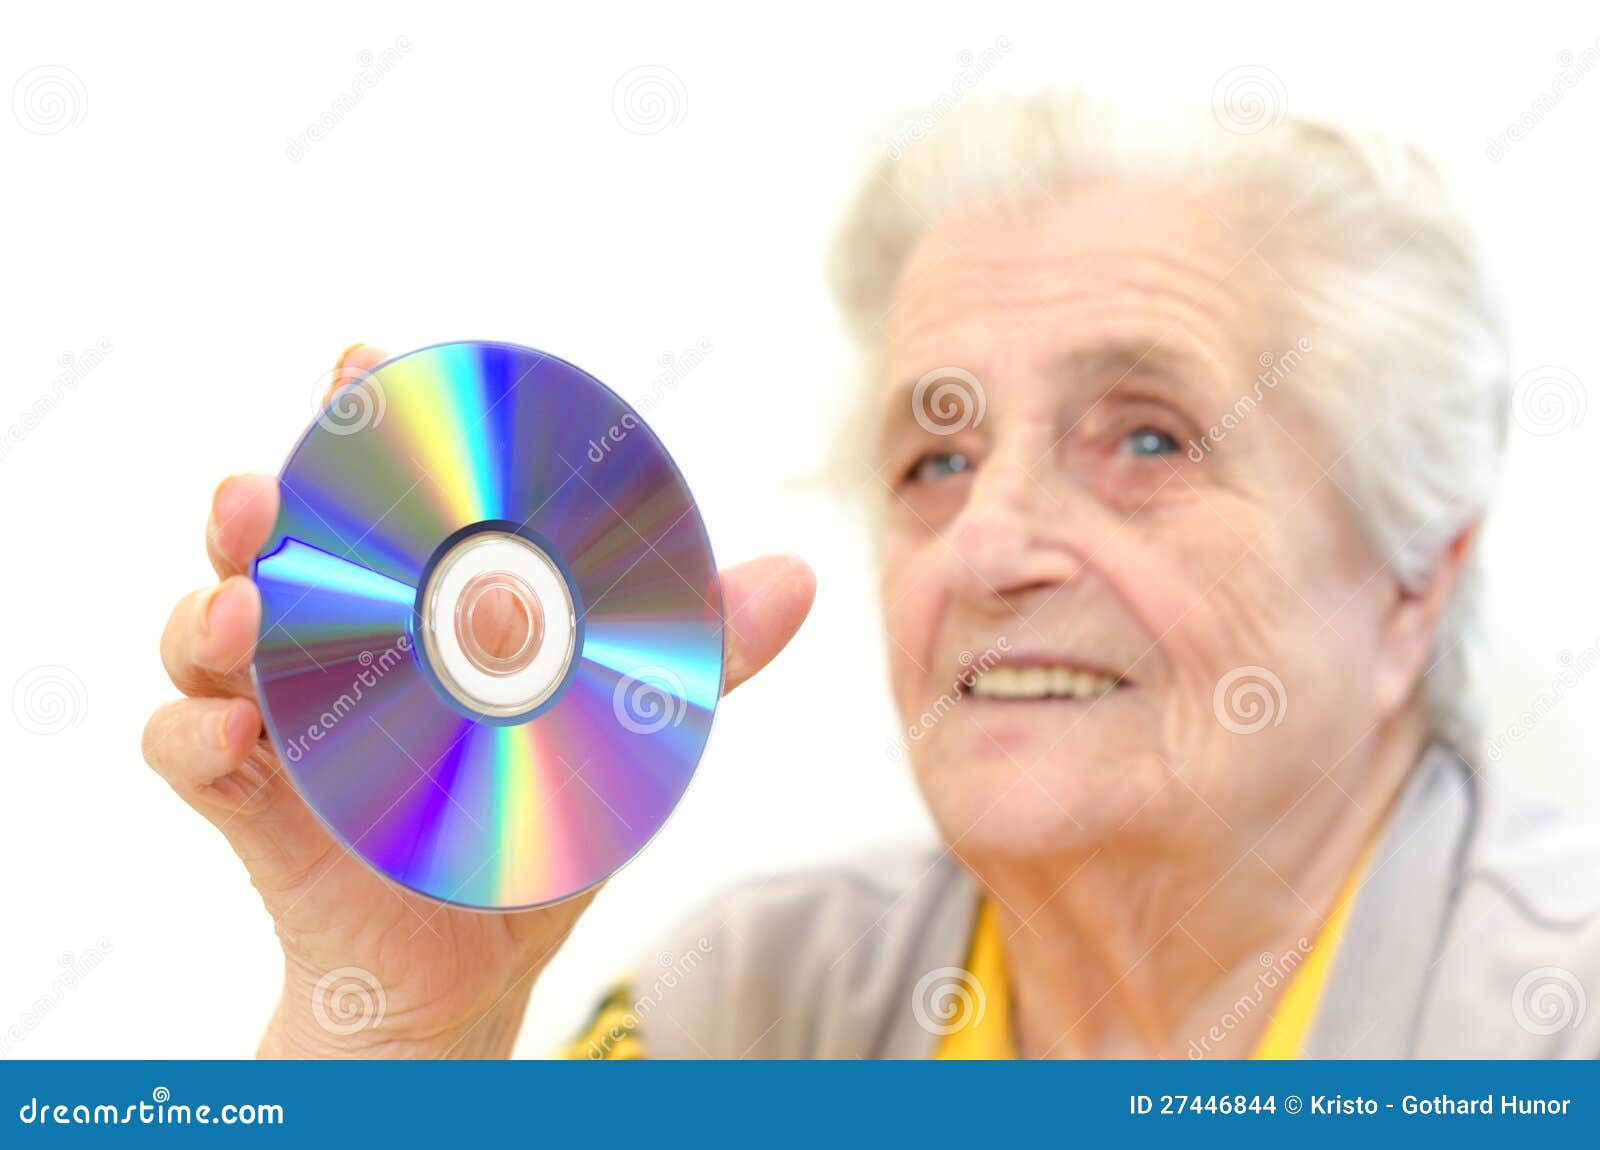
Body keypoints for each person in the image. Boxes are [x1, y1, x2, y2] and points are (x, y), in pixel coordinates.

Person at [142, 91, 1600, 1058]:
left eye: (1148, 435)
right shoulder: (732, 1018)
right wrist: (397, 1026)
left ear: (1416, 575)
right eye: (936, 460)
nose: (986, 543)